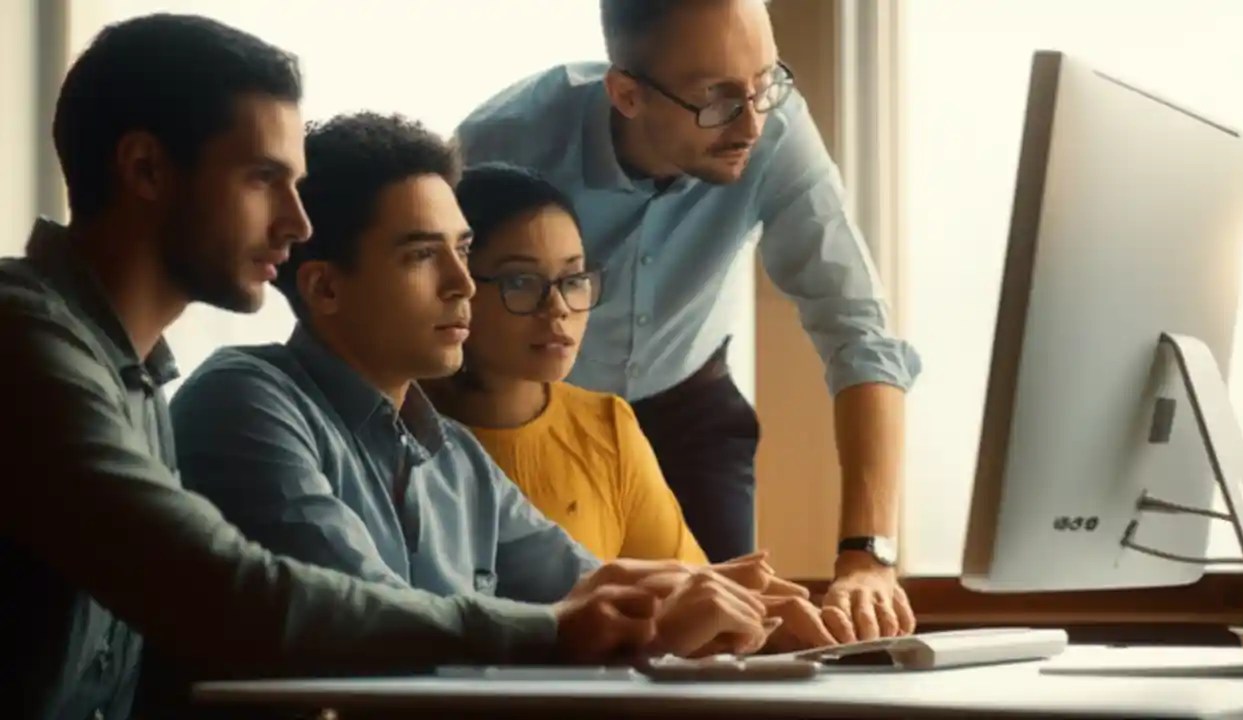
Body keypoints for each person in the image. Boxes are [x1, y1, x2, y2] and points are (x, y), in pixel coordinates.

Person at [0, 15, 726, 719]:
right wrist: (550, 630)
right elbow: (231, 592)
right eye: (262, 179)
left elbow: (586, 582)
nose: (297, 223)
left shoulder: (134, 382)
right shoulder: (25, 344)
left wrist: (729, 600)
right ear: (146, 168)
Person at [170, 112, 827, 659]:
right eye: (424, 256)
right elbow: (357, 615)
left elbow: (591, 584)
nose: (462, 285)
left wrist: (735, 602)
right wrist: (607, 624)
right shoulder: (245, 401)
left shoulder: (453, 456)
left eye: (462, 250)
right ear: (324, 286)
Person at [455, 0, 923, 641]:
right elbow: (434, 307)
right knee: (567, 635)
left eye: (764, 84)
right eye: (717, 99)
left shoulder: (773, 128)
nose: (753, 124)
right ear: (625, 94)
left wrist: (867, 557)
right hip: (528, 417)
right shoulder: (505, 142)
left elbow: (860, 332)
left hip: (688, 402)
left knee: (737, 640)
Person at [427, 162, 707, 566]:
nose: (557, 308)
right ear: (457, 286)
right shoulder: (394, 429)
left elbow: (684, 592)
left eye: (573, 279)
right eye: (521, 282)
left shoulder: (607, 429)